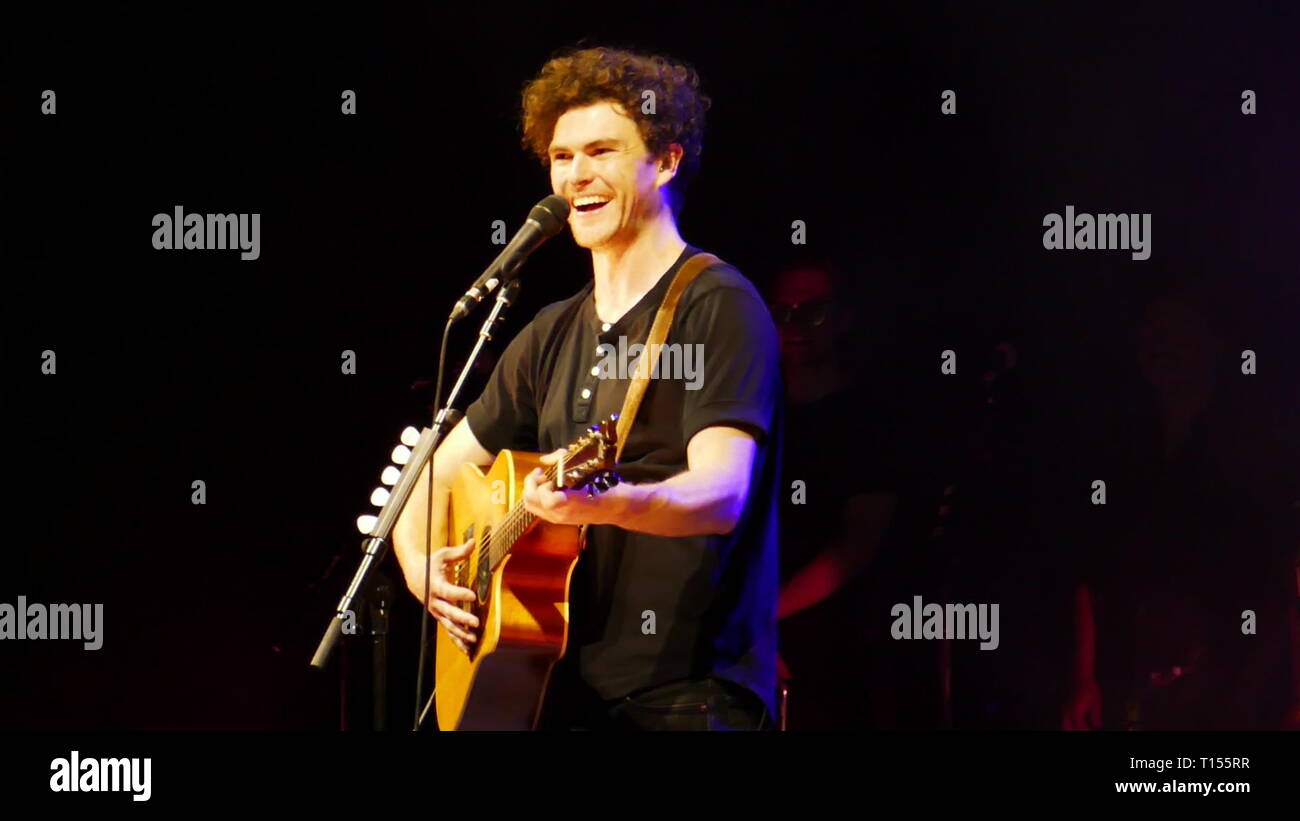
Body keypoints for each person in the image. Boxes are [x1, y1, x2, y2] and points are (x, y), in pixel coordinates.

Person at [392, 46, 783, 730]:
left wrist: (608, 502)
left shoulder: (715, 302)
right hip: (559, 695)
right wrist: (422, 567)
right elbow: (431, 478)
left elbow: (722, 493)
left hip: (684, 695)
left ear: (665, 161)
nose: (575, 177)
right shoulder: (550, 330)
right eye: (561, 156)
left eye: (600, 151)